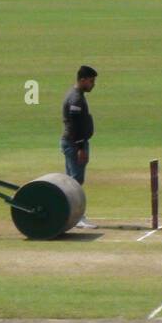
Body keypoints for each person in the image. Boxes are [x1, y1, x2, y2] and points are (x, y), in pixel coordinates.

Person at [61, 65, 99, 229]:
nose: (93, 84)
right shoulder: (75, 99)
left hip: (73, 143)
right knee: (75, 181)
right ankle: (77, 217)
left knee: (72, 180)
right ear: (82, 80)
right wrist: (80, 147)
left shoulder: (77, 95)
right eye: (91, 81)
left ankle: (71, 213)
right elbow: (74, 125)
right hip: (74, 144)